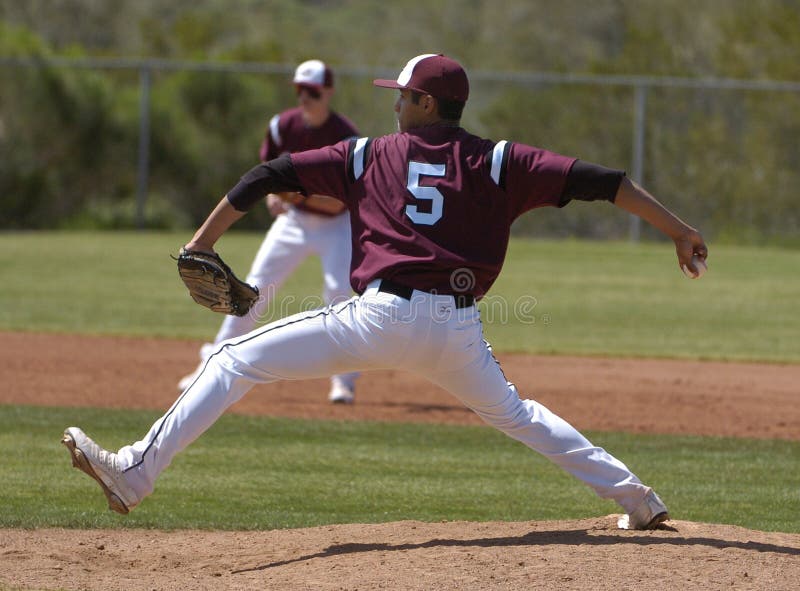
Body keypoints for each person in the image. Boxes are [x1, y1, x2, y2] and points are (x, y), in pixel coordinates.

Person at [62, 53, 708, 529]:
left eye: (403, 94)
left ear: (426, 105)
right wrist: (678, 231)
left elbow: (266, 174)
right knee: (518, 416)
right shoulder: (501, 159)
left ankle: (135, 471)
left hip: (380, 315)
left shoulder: (367, 154)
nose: (395, 102)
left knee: (232, 359)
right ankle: (637, 499)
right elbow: (607, 180)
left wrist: (202, 242)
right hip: (456, 332)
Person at [177, 58, 361, 404]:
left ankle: (344, 381)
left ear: (329, 92)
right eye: (299, 90)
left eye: (313, 91)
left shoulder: (347, 136)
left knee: (339, 296)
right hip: (292, 222)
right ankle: (211, 367)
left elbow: (337, 203)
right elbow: (266, 178)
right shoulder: (281, 126)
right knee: (254, 289)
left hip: (337, 225)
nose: (305, 97)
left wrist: (287, 194)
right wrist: (276, 197)